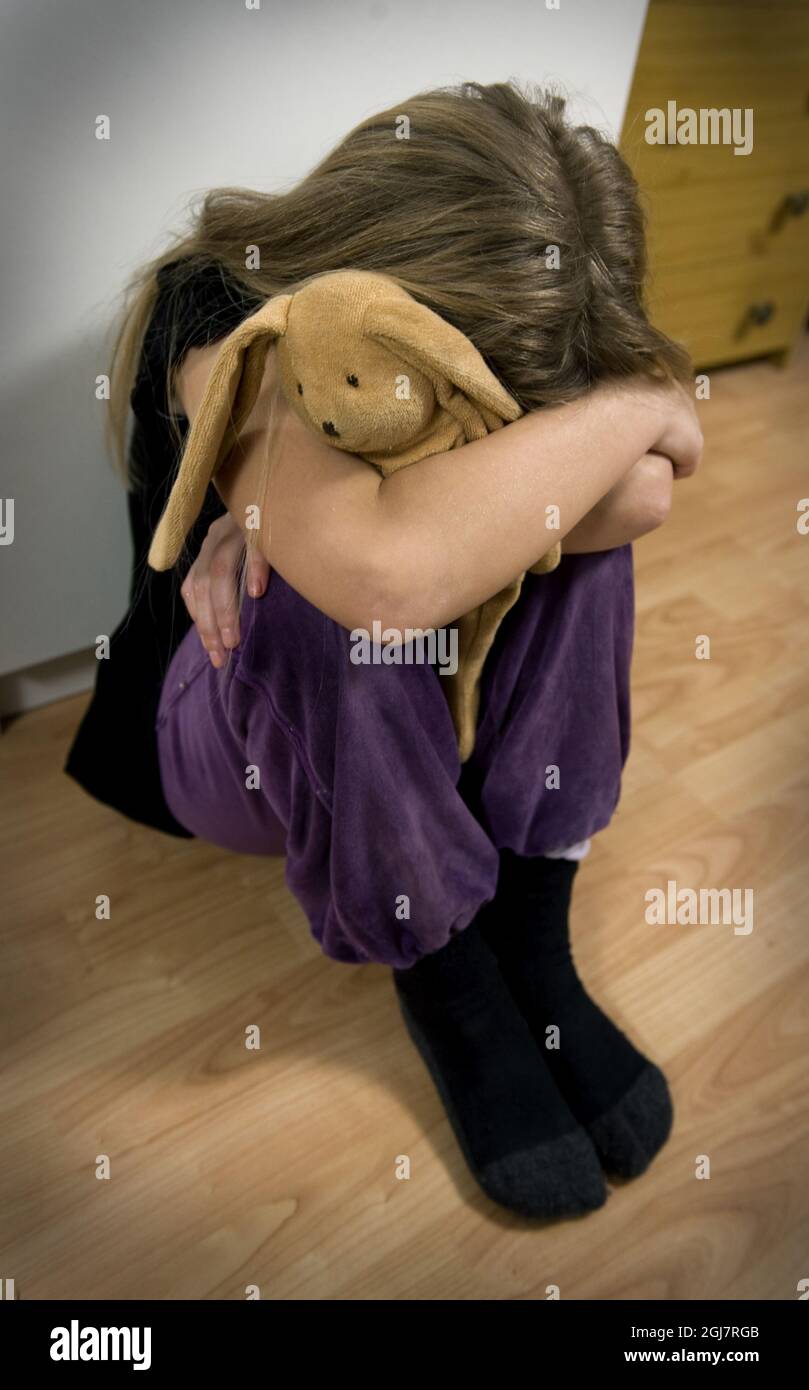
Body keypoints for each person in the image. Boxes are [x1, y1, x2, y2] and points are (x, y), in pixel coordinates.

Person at [66, 80, 702, 1220]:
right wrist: (623, 414)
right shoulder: (211, 307)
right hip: (222, 728)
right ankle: (447, 971)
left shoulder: (527, 304)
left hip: (425, 672)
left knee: (576, 539)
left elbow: (649, 493)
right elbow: (385, 577)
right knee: (328, 598)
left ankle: (525, 919)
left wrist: (580, 447)